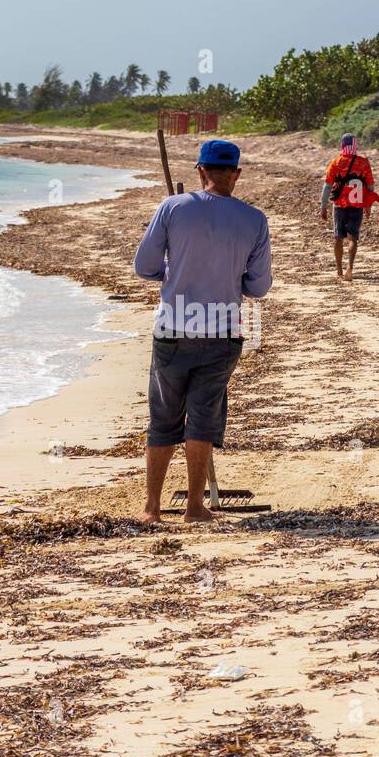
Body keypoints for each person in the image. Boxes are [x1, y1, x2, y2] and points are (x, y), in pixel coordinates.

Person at [134, 139, 272, 524]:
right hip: (222, 331)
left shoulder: (173, 208)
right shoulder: (253, 220)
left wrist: (172, 271)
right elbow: (258, 287)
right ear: (236, 174)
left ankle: (152, 508)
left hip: (173, 328)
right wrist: (230, 275)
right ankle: (195, 507)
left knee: (163, 418)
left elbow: (144, 266)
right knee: (203, 418)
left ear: (201, 171)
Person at [320, 132, 379, 281]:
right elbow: (370, 185)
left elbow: (327, 186)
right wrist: (368, 205)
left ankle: (339, 270)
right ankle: (350, 268)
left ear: (342, 145)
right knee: (353, 238)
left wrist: (323, 206)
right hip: (357, 205)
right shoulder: (363, 162)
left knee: (338, 237)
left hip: (339, 205)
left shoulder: (336, 162)